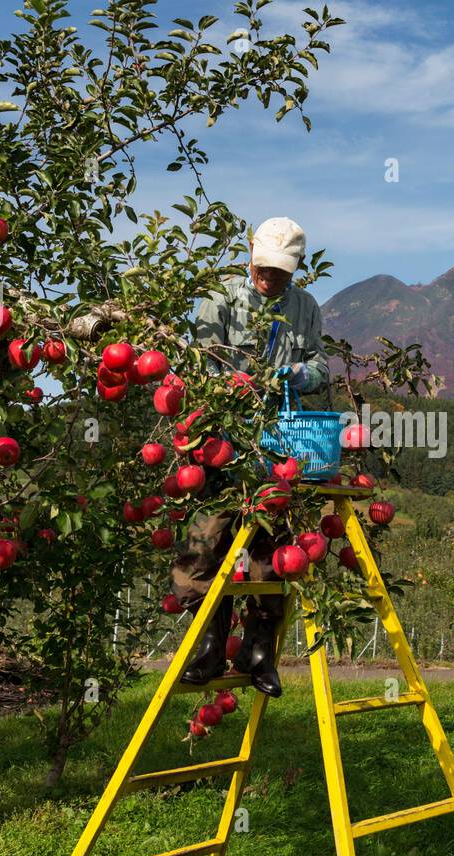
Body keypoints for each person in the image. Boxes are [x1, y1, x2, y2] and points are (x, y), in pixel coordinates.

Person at [172, 217, 328, 697]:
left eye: (281, 271)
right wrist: (229, 382)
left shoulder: (305, 307)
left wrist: (303, 372)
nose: (271, 277)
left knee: (272, 555)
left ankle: (259, 654)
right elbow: (200, 360)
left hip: (278, 449)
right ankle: (209, 648)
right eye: (264, 267)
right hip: (222, 444)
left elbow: (321, 362)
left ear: (296, 267)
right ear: (250, 254)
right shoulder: (221, 298)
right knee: (204, 545)